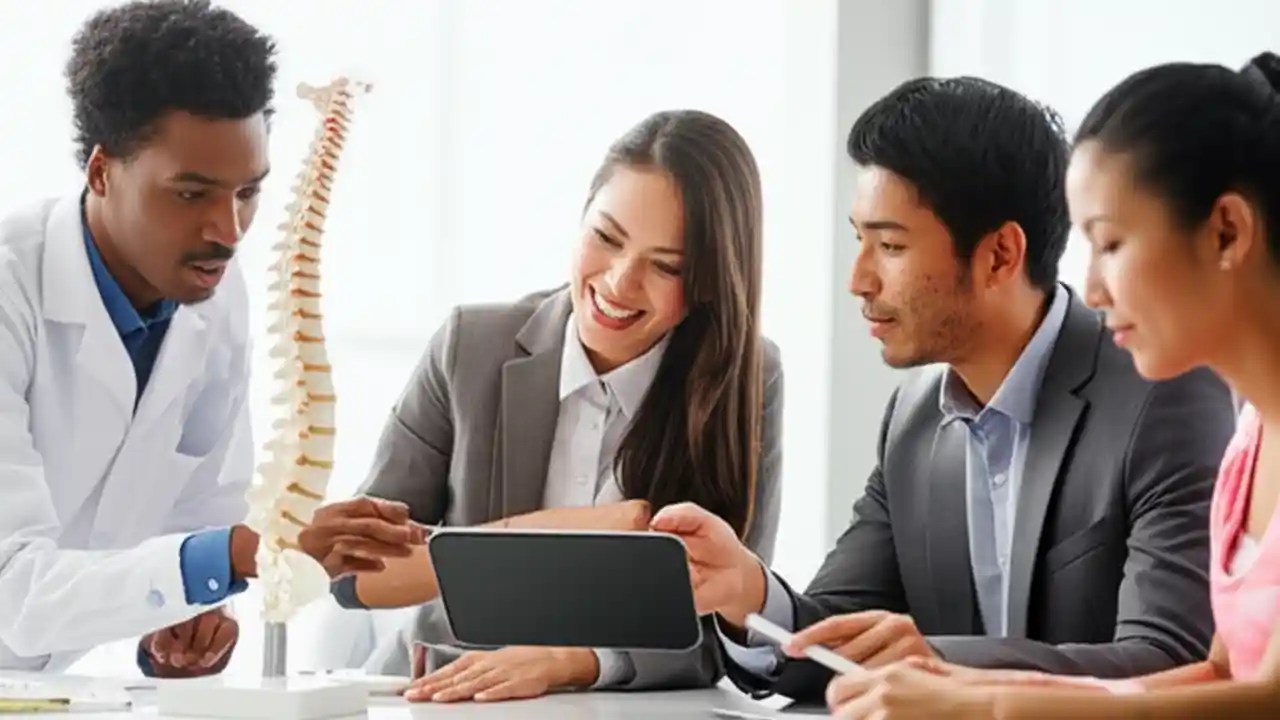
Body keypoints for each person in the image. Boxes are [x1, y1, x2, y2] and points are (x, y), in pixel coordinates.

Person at [650, 75, 1237, 704]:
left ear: (999, 256)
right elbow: (840, 634)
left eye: (891, 245)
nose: (859, 279)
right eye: (859, 240)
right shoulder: (913, 419)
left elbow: (1171, 660)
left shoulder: (1164, 391)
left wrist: (940, 665)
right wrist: (749, 592)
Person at [823, 52, 1280, 720]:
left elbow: (1266, 699)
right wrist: (961, 689)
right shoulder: (1250, 444)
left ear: (1226, 231)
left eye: (1113, 244)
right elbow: (1216, 672)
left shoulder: (1175, 407)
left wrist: (986, 706)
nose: (1092, 288)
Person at [0, 0, 423, 677]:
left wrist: (181, 628)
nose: (229, 230)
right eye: (191, 194)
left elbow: (199, 523)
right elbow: (12, 591)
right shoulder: (11, 286)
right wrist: (247, 551)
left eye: (248, 193)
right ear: (103, 172)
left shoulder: (212, 294)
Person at [329, 109, 784, 702]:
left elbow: (728, 625)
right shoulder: (471, 347)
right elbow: (355, 573)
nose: (620, 283)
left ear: (710, 281)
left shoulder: (747, 378)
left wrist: (573, 661)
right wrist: (576, 530)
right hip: (443, 693)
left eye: (666, 265)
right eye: (606, 237)